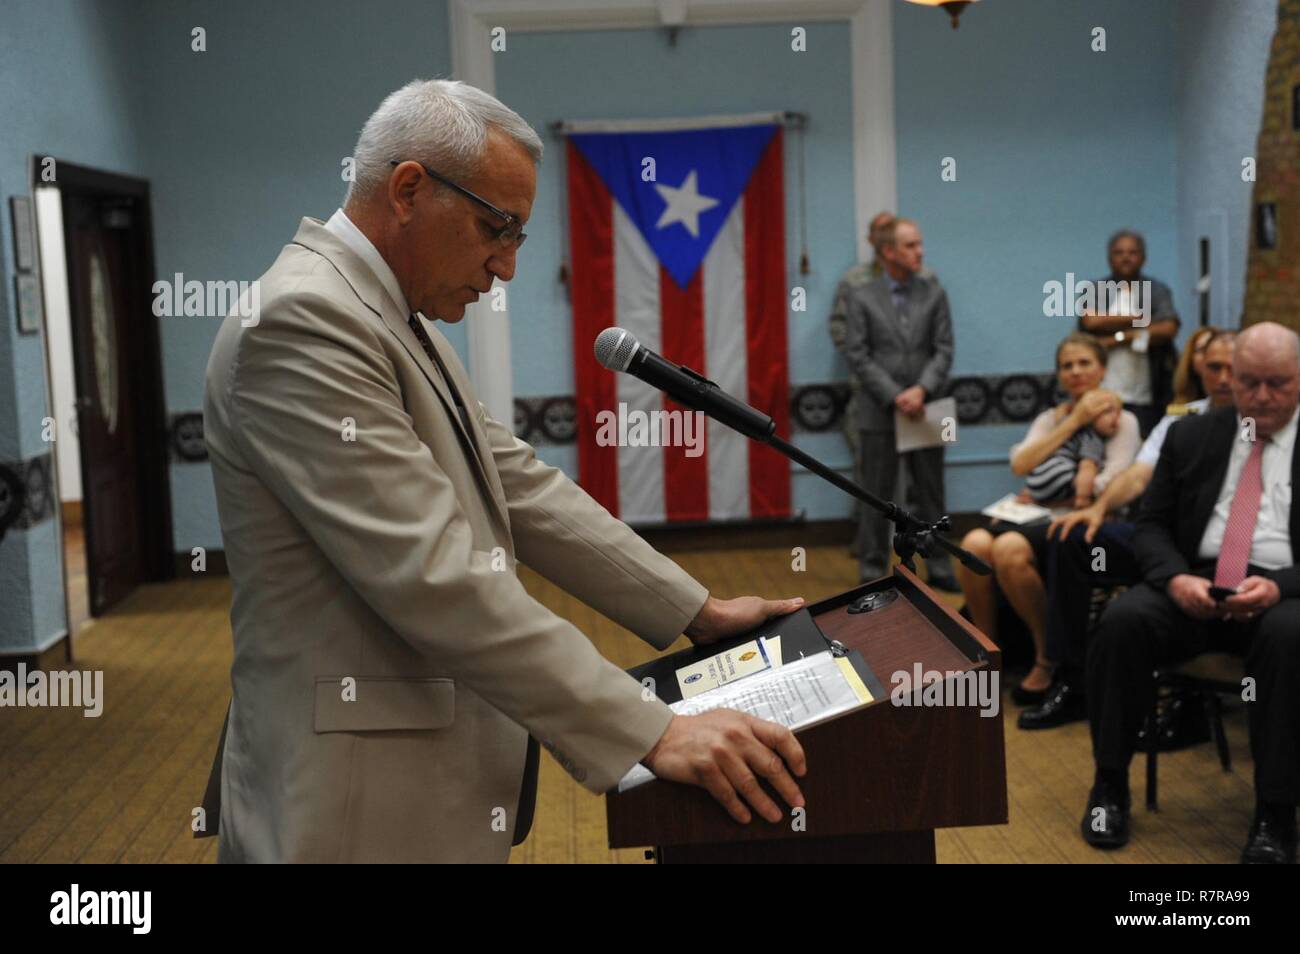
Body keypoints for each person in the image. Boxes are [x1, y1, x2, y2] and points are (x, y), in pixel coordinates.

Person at [199, 80, 808, 863]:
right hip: (350, 803)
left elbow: (517, 483)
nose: (508, 267)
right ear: (411, 189)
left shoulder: (383, 312)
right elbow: (434, 577)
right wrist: (649, 730)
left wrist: (695, 609)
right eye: (499, 228)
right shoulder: (305, 321)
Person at [1080, 322, 1300, 863]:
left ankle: (1275, 812)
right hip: (1200, 581)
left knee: (1288, 635)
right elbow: (1150, 526)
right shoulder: (1192, 434)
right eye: (1249, 382)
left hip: (1285, 589)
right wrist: (1176, 577)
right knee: (1123, 621)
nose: (1262, 396)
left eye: (1278, 383)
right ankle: (1109, 784)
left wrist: (1277, 587)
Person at [1020, 331, 1237, 729]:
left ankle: (1190, 695)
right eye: (1214, 367)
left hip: (1223, 550)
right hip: (1162, 540)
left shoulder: (1263, 420)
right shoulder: (1181, 418)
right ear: (1199, 370)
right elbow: (1138, 475)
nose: (1223, 378)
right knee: (1071, 537)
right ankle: (1071, 681)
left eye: (1233, 369)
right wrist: (1097, 511)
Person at [956, 333, 1139, 702]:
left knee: (1007, 547)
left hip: (1088, 521)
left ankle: (1047, 656)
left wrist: (1052, 492)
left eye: (1085, 363)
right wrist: (1073, 422)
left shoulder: (1124, 420)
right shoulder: (1049, 418)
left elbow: (1113, 483)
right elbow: (1021, 463)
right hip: (1037, 516)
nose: (1075, 372)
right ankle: (991, 653)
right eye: (1067, 366)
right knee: (973, 544)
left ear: (1102, 369)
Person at [833, 217, 956, 590]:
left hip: (926, 406)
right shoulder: (861, 295)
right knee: (876, 493)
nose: (920, 251)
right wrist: (894, 394)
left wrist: (921, 388)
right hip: (880, 408)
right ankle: (872, 568)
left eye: (920, 244)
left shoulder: (934, 293)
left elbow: (944, 349)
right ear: (888, 252)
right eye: (911, 245)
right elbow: (857, 353)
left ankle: (940, 567)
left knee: (931, 492)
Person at [1077, 230, 1180, 436]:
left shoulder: (1157, 290)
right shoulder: (1095, 289)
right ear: (1109, 258)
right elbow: (1091, 321)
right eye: (1119, 252)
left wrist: (1119, 337)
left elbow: (1168, 328)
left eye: (1132, 252)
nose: (1126, 257)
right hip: (1102, 392)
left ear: (1143, 257)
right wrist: (1142, 318)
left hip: (1148, 396)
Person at [1171, 325, 1220, 405]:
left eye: (1214, 349)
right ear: (1191, 356)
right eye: (1202, 349)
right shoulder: (1178, 405)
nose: (1208, 355)